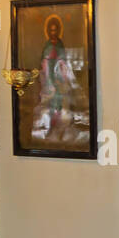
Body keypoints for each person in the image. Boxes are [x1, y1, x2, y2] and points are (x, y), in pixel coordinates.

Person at [32, 14, 80, 144]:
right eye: (51, 30)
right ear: (48, 31)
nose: (53, 32)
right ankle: (49, 127)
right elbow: (43, 62)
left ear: (58, 30)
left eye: (55, 30)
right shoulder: (47, 45)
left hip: (59, 78)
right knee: (49, 104)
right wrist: (46, 65)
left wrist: (61, 70)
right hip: (48, 79)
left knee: (60, 104)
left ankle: (60, 127)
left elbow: (64, 61)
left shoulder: (60, 44)